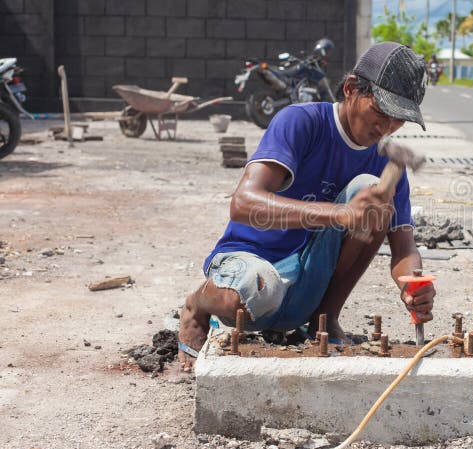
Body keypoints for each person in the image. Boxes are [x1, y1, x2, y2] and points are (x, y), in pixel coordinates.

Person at [178, 42, 436, 370]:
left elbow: (404, 250)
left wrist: (413, 283)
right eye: (381, 112)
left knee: (371, 194)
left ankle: (323, 321)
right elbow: (243, 203)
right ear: (351, 88)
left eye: (398, 120)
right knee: (254, 291)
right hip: (251, 268)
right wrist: (339, 213)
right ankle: (196, 304)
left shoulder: (386, 167)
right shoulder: (302, 123)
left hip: (306, 285)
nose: (386, 128)